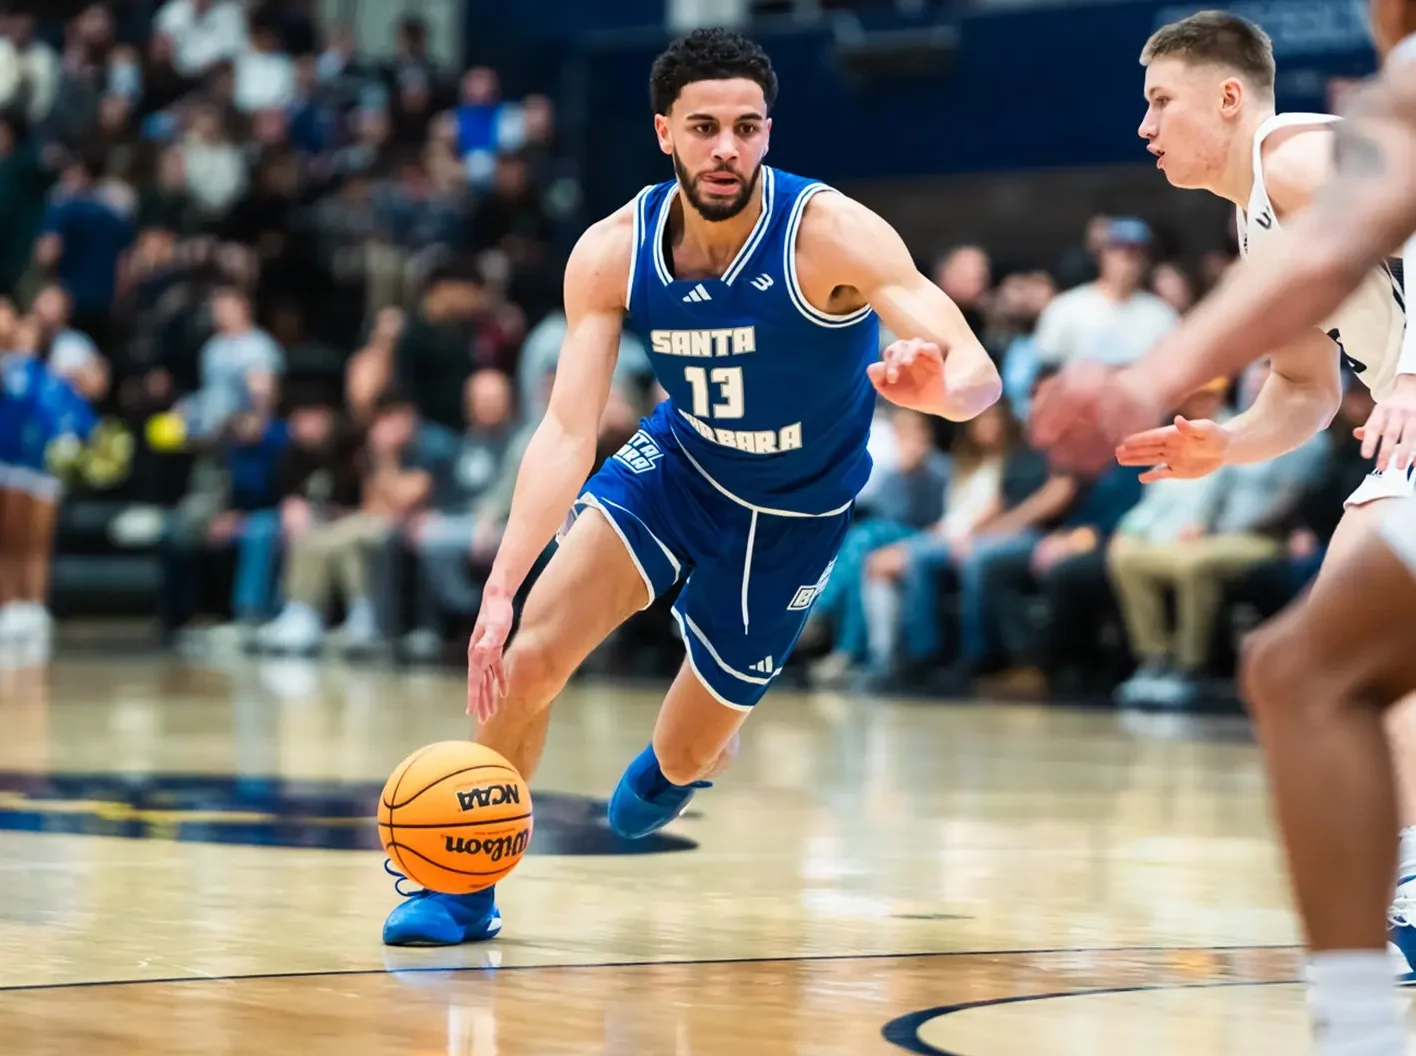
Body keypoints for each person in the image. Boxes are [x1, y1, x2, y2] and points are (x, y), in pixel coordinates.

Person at [381, 28, 1001, 946]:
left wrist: (940, 391)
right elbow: (565, 429)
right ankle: (464, 890)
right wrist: (504, 583)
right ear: (664, 131)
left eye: (747, 128)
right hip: (681, 465)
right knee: (527, 664)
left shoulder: (831, 234)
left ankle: (686, 765)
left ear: (768, 132)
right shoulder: (610, 250)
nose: (727, 149)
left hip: (795, 513)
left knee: (655, 786)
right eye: (705, 128)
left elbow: (978, 370)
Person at [1031, 3, 1416, 1051]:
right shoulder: (1257, 222)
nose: (1146, 126)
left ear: (1231, 97)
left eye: (1161, 101)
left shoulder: (1295, 151)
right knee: (1325, 664)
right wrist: (1221, 443)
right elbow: (1302, 391)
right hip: (1401, 438)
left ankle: (1389, 941)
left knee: (1329, 663)